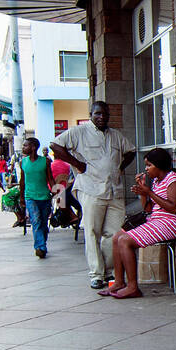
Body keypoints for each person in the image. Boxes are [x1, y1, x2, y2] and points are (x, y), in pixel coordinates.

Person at [50, 101, 135, 289]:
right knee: (92, 232)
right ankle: (96, 274)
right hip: (91, 189)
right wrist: (77, 163)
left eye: (105, 114)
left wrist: (120, 167)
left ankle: (111, 272)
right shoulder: (78, 132)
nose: (101, 117)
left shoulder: (115, 135)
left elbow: (131, 151)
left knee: (113, 234)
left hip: (114, 190)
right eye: (97, 114)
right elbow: (55, 145)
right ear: (91, 114)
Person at [101, 148, 176, 299]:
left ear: (159, 165)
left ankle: (133, 287)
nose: (146, 169)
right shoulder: (157, 181)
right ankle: (119, 282)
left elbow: (173, 208)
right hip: (155, 220)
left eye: (149, 165)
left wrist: (149, 192)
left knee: (124, 241)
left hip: (170, 223)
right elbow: (148, 208)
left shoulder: (173, 180)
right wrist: (142, 193)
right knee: (116, 238)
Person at [17, 136, 54, 258]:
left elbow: (50, 178)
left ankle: (42, 243)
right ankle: (40, 247)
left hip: (44, 196)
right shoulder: (23, 162)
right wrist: (21, 197)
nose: (23, 147)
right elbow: (22, 181)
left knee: (43, 223)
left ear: (33, 147)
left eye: (25, 145)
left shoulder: (45, 161)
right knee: (36, 220)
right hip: (30, 197)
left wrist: (57, 192)